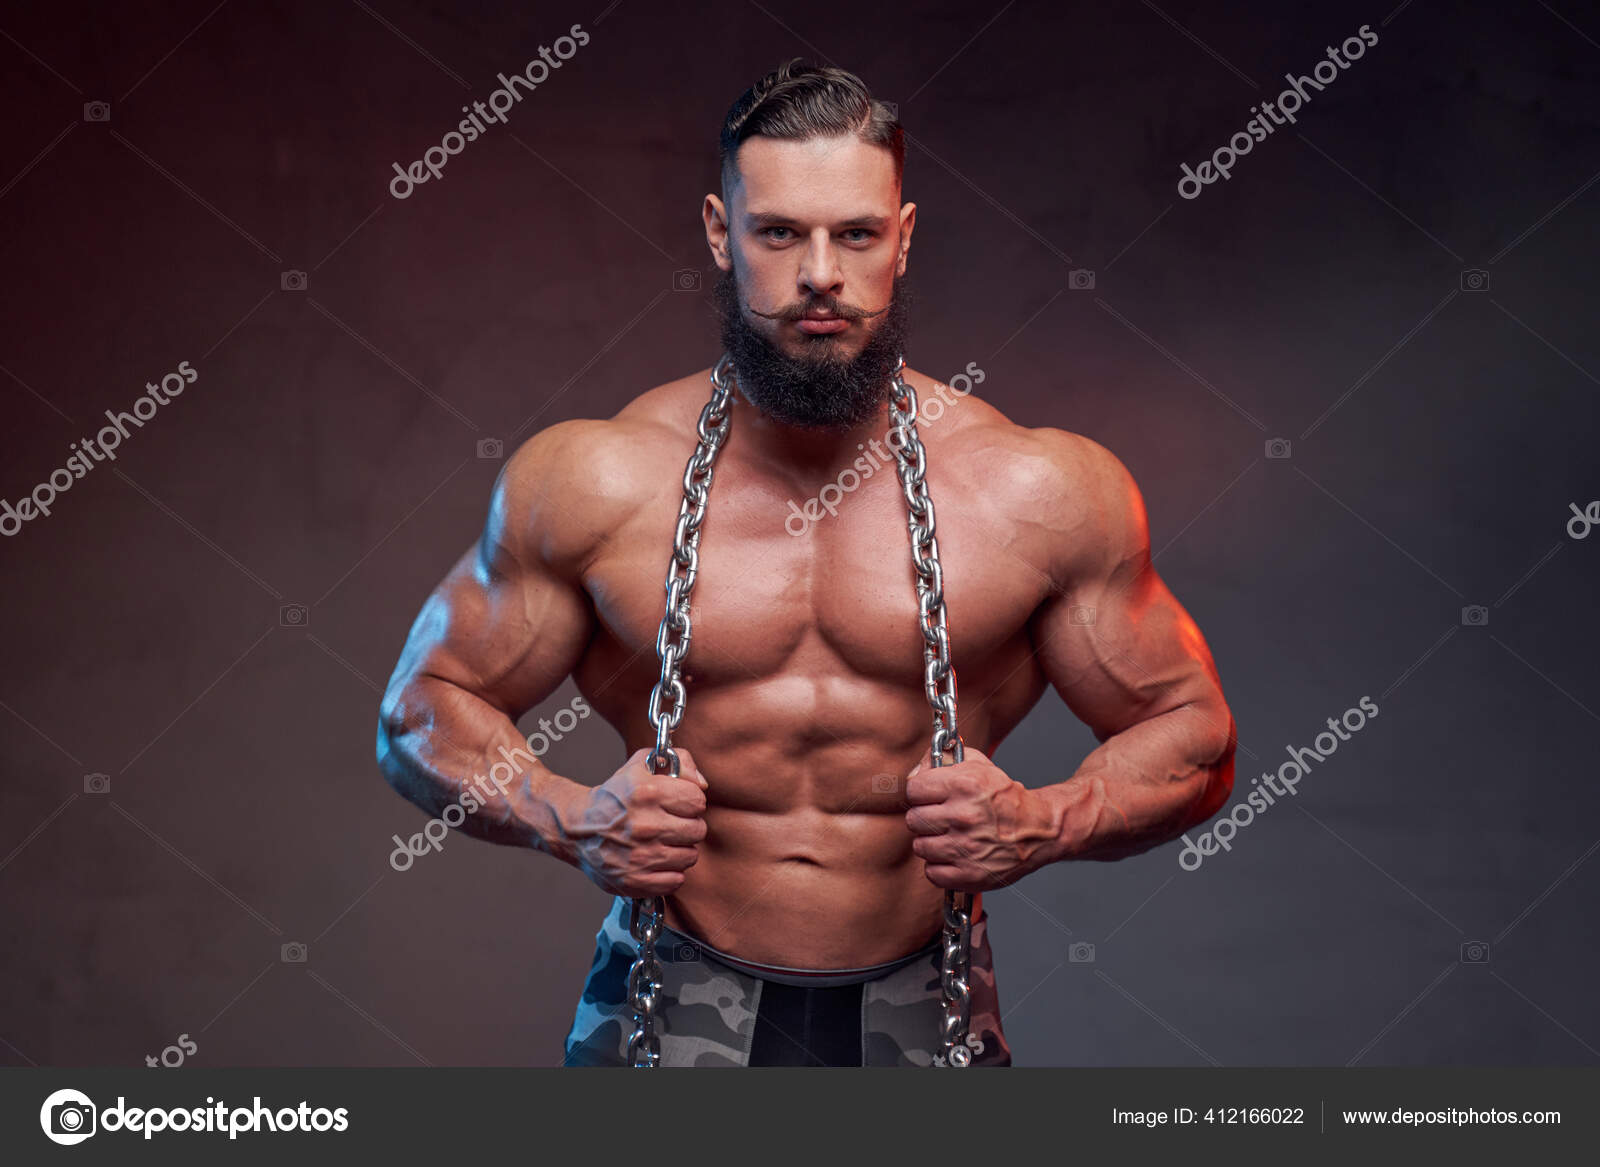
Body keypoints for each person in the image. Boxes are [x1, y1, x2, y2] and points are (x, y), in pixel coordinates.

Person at [376, 59, 1236, 1067]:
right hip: (667, 994)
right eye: (778, 231)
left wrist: (1047, 821)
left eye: (855, 234)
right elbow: (419, 710)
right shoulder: (595, 480)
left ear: (901, 240)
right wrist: (567, 819)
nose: (818, 272)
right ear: (719, 231)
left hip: (927, 1003)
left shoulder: (1038, 491)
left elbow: (1197, 740)